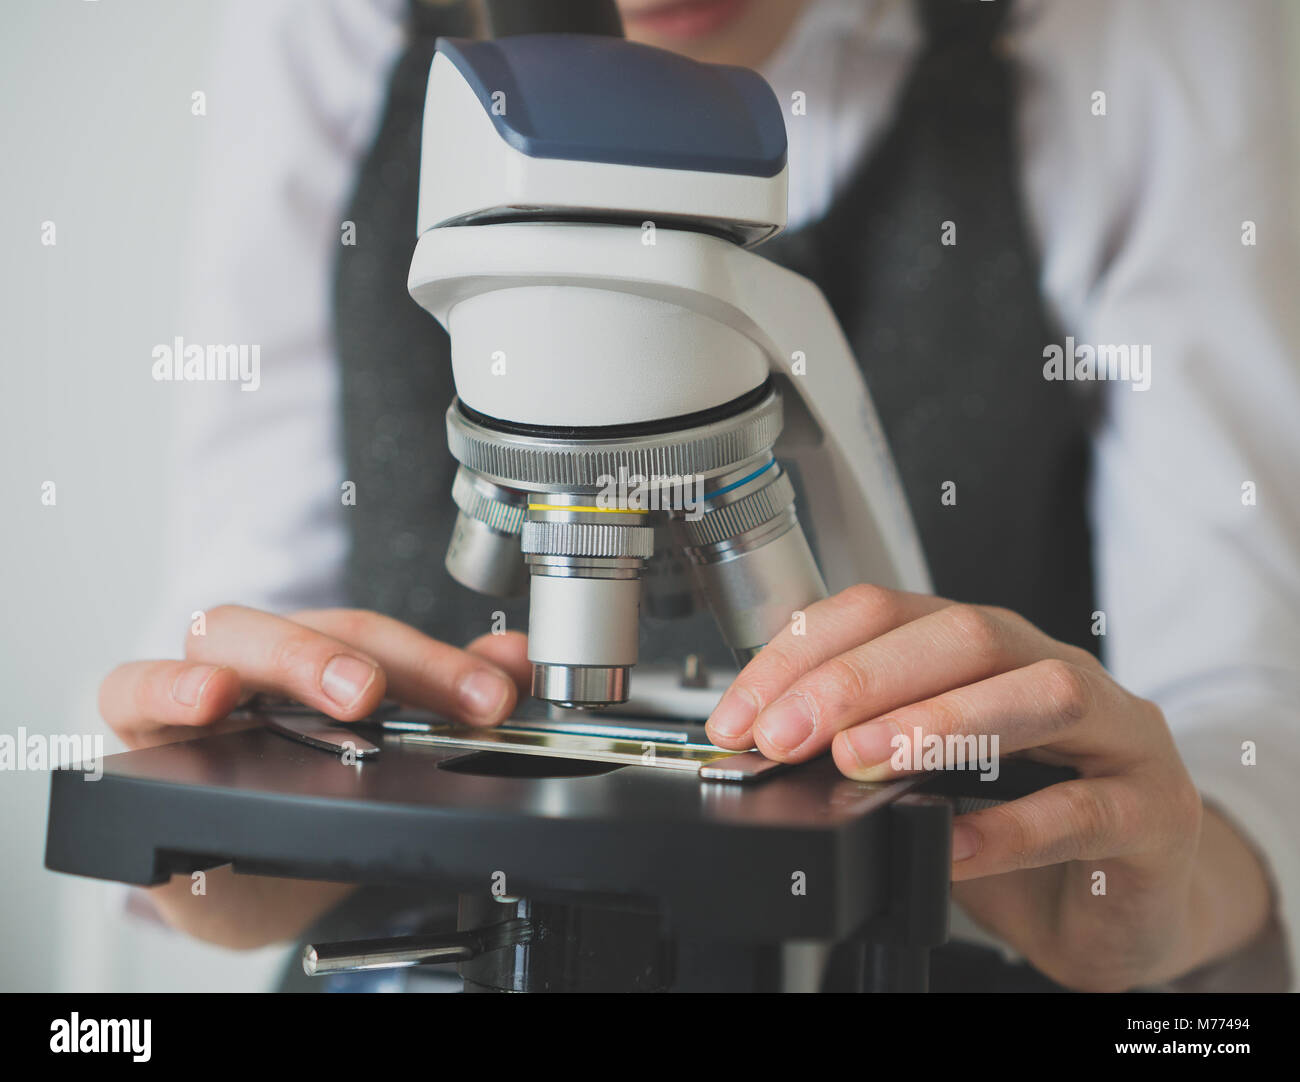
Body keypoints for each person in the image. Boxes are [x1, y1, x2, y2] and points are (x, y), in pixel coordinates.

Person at [99, 0, 1300, 991]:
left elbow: (1241, 701)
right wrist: (235, 848)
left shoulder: (1139, 36)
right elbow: (238, 622)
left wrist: (1169, 891)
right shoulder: (321, 31)